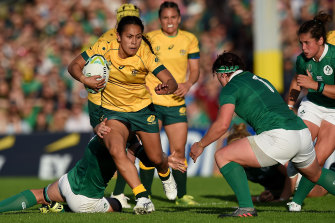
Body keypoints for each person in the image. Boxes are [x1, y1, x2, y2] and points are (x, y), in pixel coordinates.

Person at [189, 52, 335, 218]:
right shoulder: (257, 79)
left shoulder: (231, 87)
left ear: (222, 74)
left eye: (218, 77)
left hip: (280, 136)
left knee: (222, 156)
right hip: (301, 132)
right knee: (315, 174)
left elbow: (222, 125)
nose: (220, 82)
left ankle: (245, 208)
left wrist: (200, 145)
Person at [68, 16, 179, 214]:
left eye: (138, 37)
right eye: (129, 37)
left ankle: (164, 172)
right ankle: (143, 198)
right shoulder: (103, 47)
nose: (134, 42)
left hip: (142, 110)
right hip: (114, 112)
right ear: (118, 36)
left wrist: (167, 87)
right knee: (116, 150)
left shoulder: (145, 53)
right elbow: (73, 66)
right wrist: (85, 79)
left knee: (154, 158)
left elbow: (171, 80)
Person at [0, 122, 185, 214]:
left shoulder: (106, 126)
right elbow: (128, 161)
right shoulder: (121, 140)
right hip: (84, 201)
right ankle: (63, 210)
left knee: (40, 194)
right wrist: (141, 194)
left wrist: (164, 161)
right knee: (119, 204)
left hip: (69, 181)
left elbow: (140, 152)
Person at [138, 1, 200, 206]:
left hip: (176, 103)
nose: (170, 21)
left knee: (179, 151)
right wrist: (143, 87)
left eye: (173, 17)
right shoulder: (150, 38)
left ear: (179, 18)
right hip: (152, 103)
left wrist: (189, 83)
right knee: (149, 151)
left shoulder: (189, 39)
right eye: (165, 18)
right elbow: (140, 64)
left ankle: (181, 196)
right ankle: (143, 196)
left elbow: (195, 69)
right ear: (160, 20)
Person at [286, 12, 335, 212]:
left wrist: (315, 85)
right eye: (301, 43)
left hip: (334, 112)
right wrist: (289, 106)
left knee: (318, 160)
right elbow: (297, 83)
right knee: (300, 150)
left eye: (307, 43)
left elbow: (311, 84)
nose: (303, 48)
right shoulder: (302, 60)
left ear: (320, 40)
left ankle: (295, 202)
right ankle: (290, 190)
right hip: (312, 106)